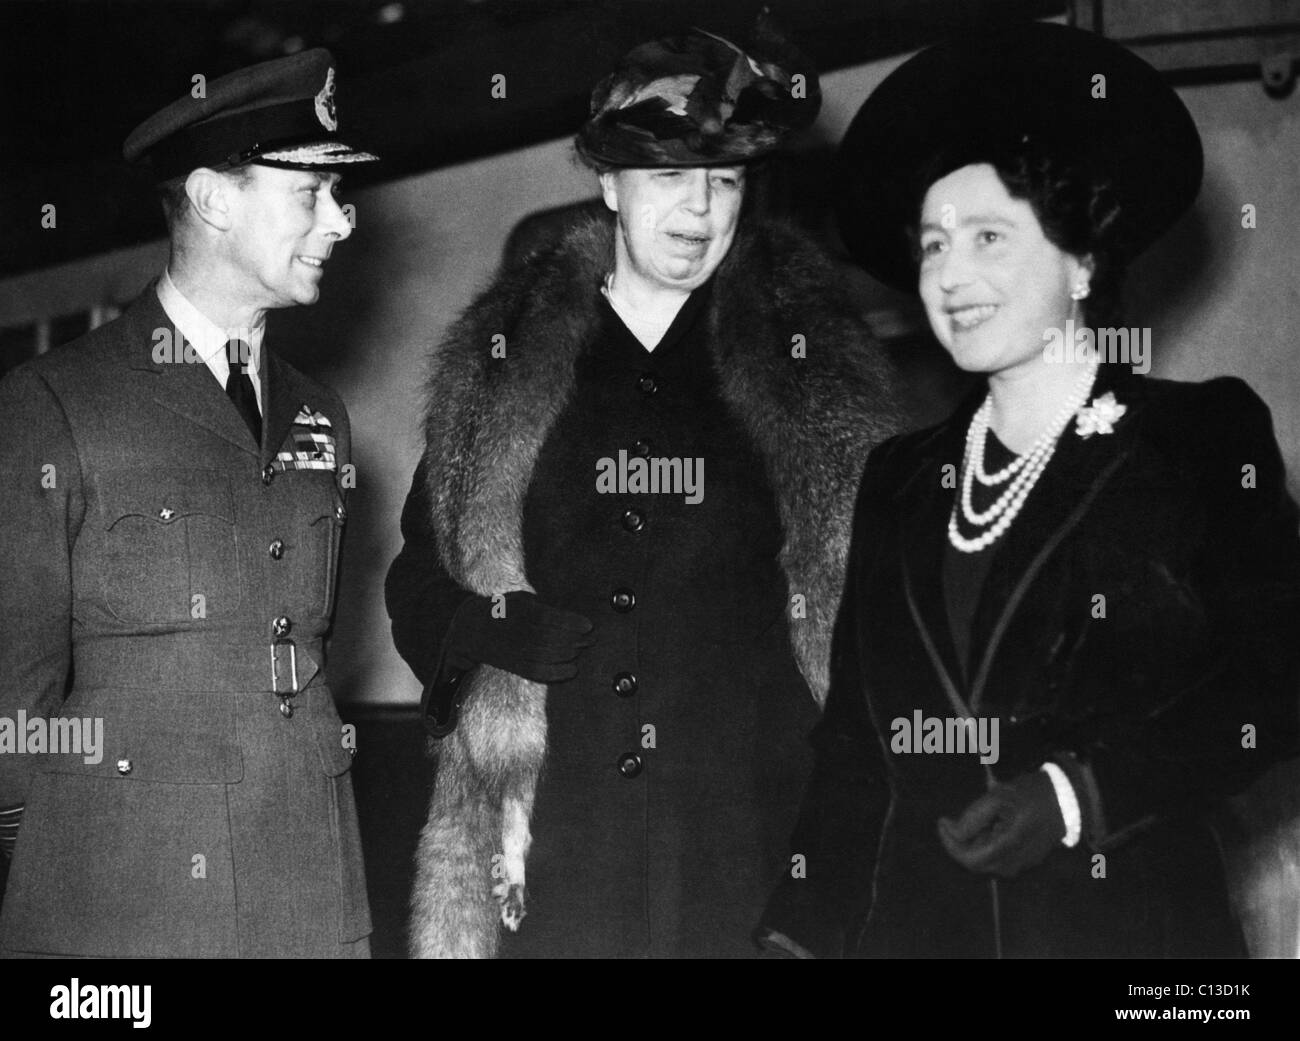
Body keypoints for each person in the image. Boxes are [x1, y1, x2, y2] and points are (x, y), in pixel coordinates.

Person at [760, 21, 1300, 958]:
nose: (951, 277)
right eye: (932, 247)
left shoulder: (1194, 438)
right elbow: (855, 753)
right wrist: (794, 939)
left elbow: (1280, 685)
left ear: (1083, 262)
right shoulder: (899, 480)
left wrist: (1080, 794)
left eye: (989, 238)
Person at [386, 21, 902, 958]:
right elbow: (416, 580)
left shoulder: (810, 372)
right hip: (556, 844)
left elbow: (872, 621)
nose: (701, 210)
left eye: (726, 181)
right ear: (609, 182)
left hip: (748, 842)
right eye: (670, 177)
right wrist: (482, 630)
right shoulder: (500, 371)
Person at [0, 48, 378, 957]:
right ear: (212, 199)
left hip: (311, 891)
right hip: (131, 899)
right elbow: (12, 699)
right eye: (310, 194)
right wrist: (56, 884)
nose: (341, 222)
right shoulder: (55, 404)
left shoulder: (319, 413)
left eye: (340, 196)